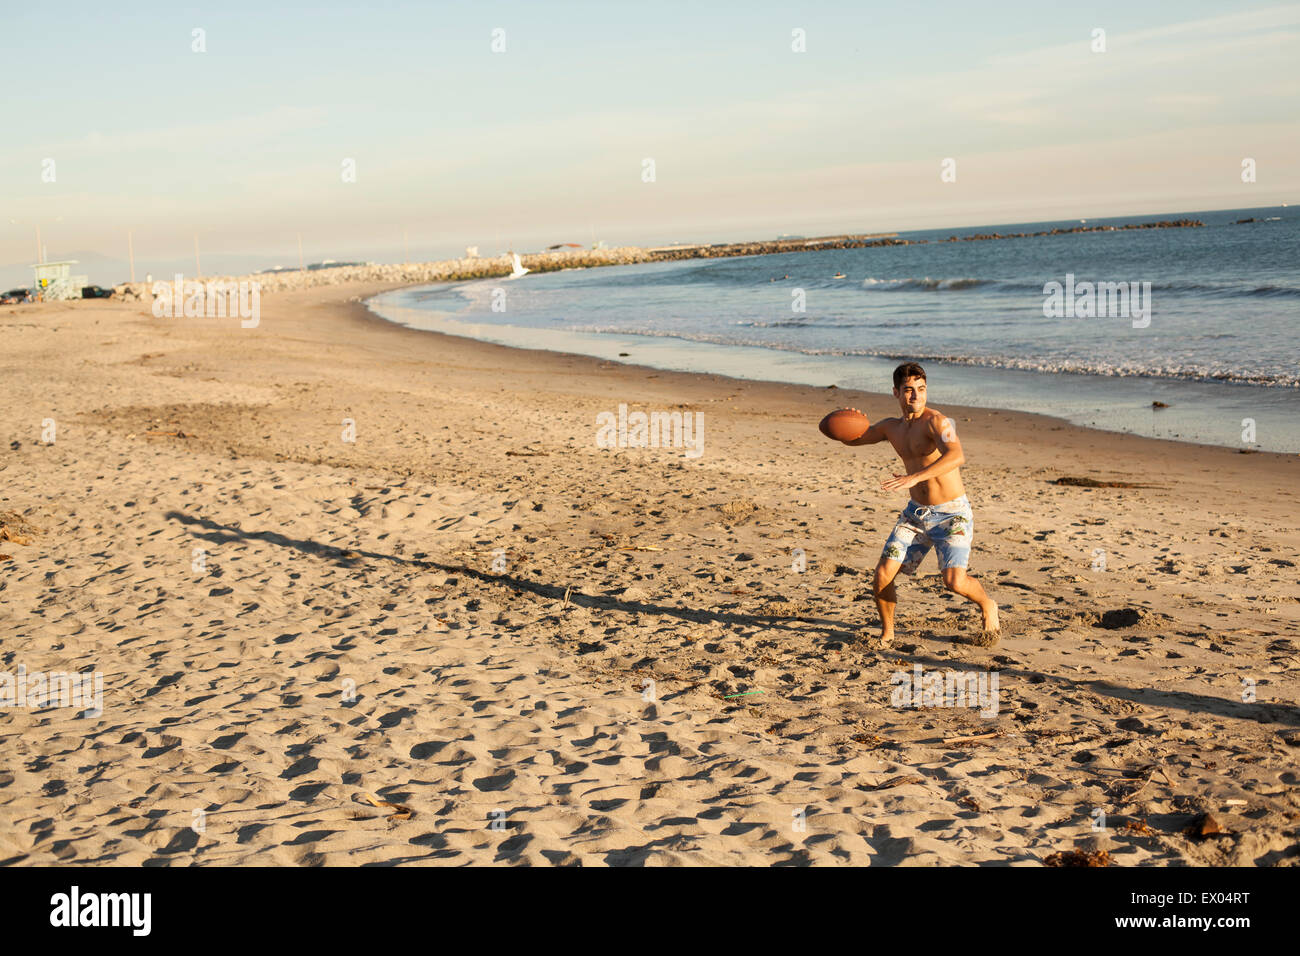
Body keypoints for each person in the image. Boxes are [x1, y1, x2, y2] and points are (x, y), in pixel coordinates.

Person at [832, 362, 1000, 646]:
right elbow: (855, 438)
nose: (916, 397)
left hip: (951, 514)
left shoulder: (938, 422)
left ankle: (988, 605)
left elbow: (957, 455)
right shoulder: (890, 427)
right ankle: (887, 633)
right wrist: (839, 424)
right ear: (896, 392)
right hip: (916, 515)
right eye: (909, 391)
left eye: (921, 390)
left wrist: (914, 478)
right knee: (883, 574)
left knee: (954, 582)